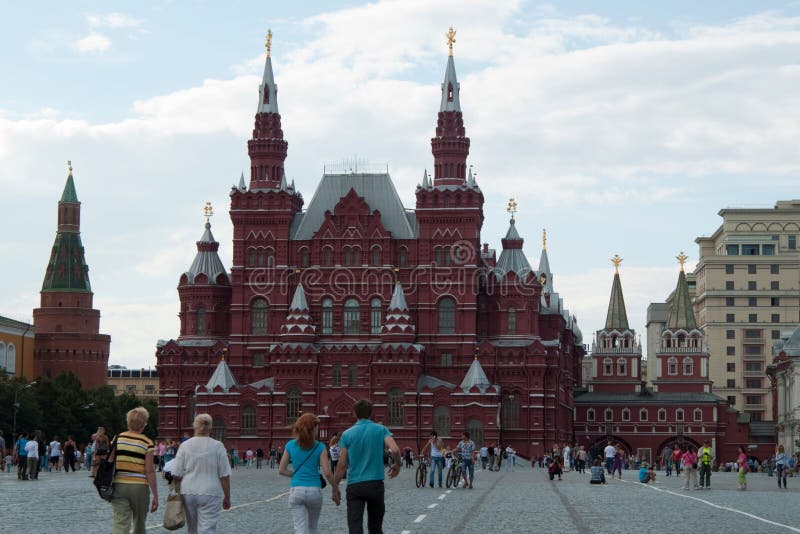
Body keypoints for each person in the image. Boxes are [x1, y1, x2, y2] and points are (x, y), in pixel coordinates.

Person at [333, 399, 400, 534]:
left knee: (355, 527)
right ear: (371, 413)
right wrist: (397, 465)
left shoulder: (347, 434)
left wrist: (335, 488)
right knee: (375, 527)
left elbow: (341, 465)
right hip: (375, 484)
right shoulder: (381, 429)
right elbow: (395, 449)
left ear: (355, 414)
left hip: (354, 486)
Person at [171, 413, 232, 534]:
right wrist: (227, 496)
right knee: (208, 529)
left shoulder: (185, 445)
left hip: (188, 491)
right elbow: (224, 475)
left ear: (195, 426)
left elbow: (176, 473)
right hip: (210, 492)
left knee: (192, 529)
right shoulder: (218, 446)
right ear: (210, 428)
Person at [279, 413, 336, 534]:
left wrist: (295, 474)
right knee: (313, 528)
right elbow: (327, 472)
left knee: (299, 528)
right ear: (313, 428)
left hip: (296, 490)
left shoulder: (290, 445)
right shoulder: (320, 447)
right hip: (314, 491)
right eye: (317, 427)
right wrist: (335, 488)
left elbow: (281, 470)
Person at [109, 407, 158, 534]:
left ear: (128, 421)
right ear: (144, 424)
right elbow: (149, 471)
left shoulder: (117, 438)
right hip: (139, 487)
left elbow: (109, 461)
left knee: (120, 523)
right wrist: (155, 495)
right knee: (139, 523)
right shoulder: (147, 442)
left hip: (119, 485)